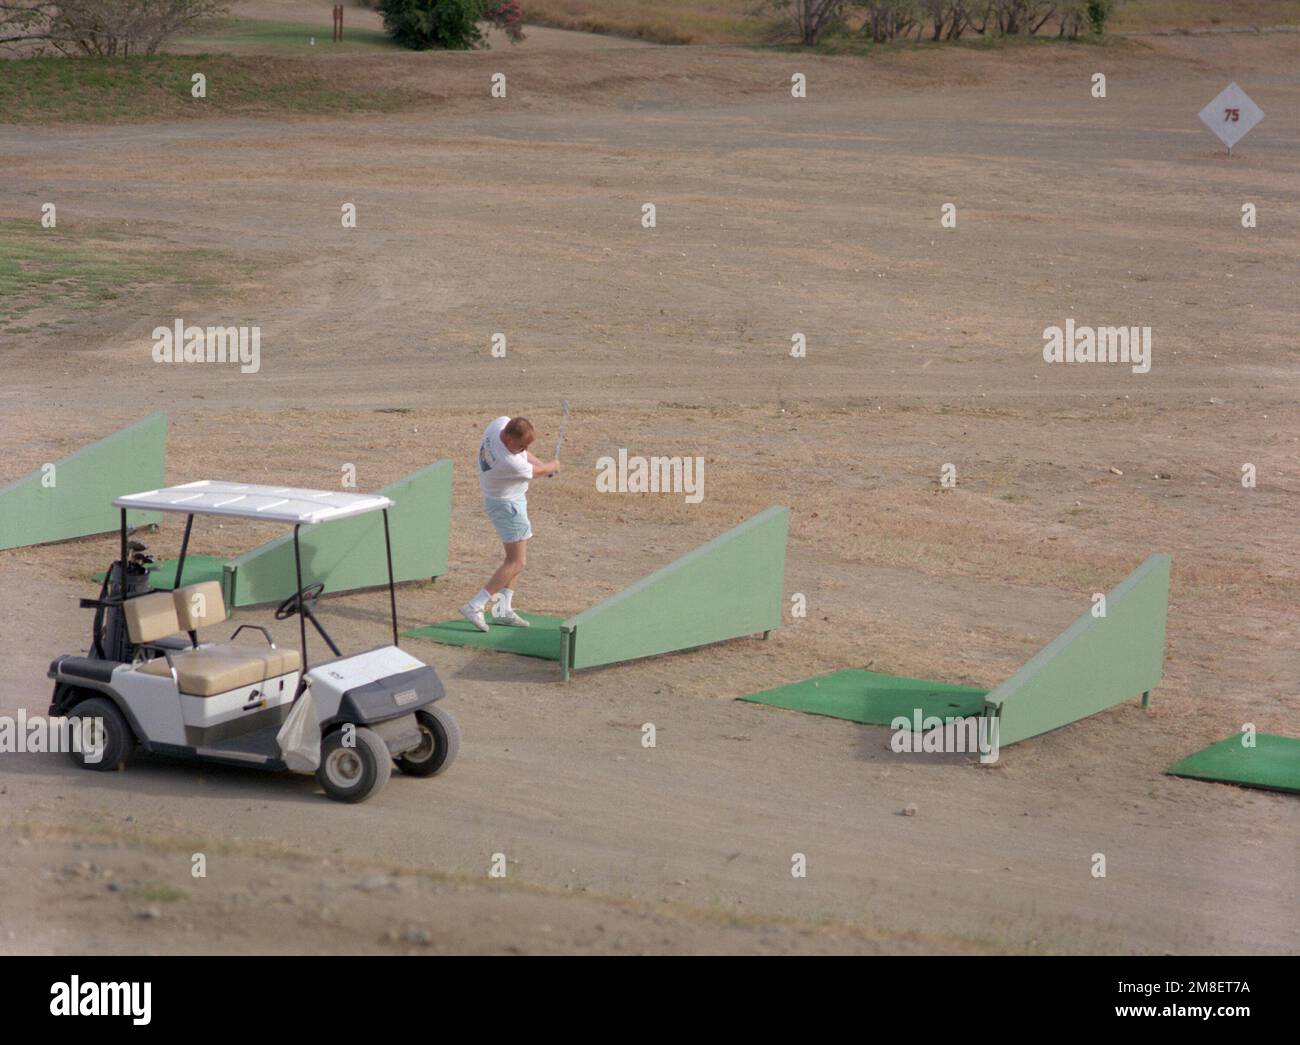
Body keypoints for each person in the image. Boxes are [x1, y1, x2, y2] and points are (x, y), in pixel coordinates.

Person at [461, 416, 559, 632]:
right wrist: (552, 465)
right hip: (508, 507)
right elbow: (534, 472)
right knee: (517, 562)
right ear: (508, 438)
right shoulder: (508, 462)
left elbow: (526, 457)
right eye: (521, 445)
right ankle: (475, 605)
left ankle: (502, 610)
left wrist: (542, 464)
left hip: (505, 501)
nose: (524, 449)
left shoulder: (499, 424)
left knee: (513, 558)